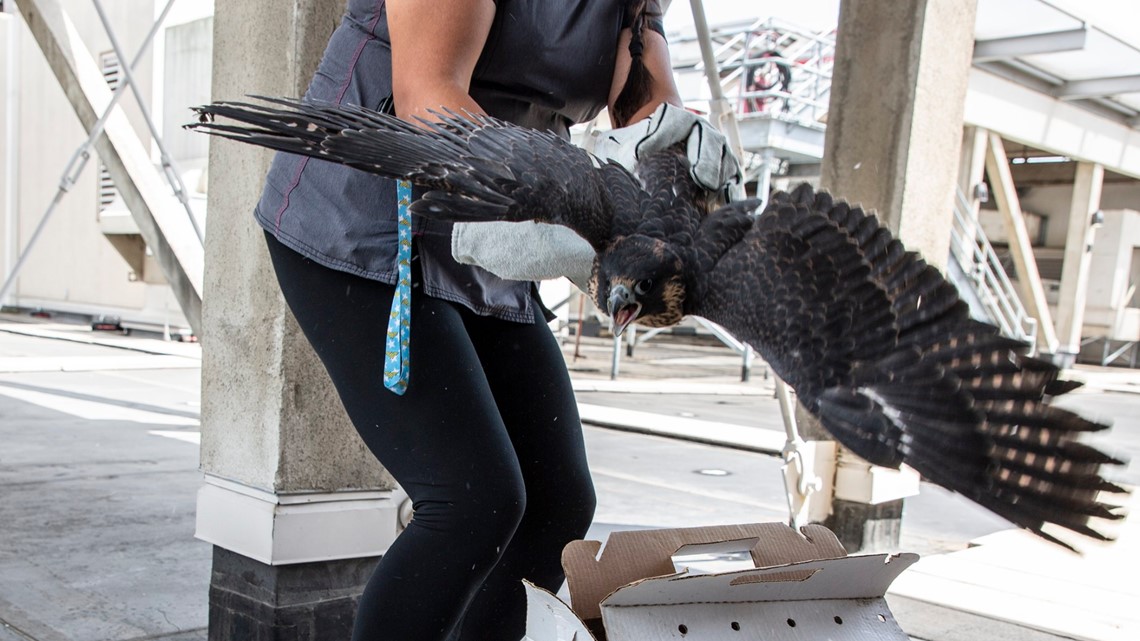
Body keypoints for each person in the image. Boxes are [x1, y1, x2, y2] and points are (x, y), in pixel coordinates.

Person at [252, 1, 685, 639]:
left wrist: (680, 190)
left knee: (558, 501)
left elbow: (650, 112)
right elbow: (429, 96)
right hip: (374, 220)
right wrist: (583, 221)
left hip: (497, 239)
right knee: (471, 500)